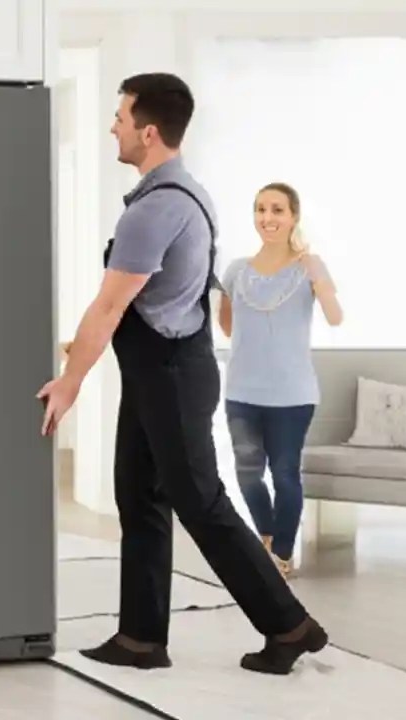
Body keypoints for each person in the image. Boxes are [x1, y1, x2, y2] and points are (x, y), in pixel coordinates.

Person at [37, 72, 327, 675]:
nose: (113, 126)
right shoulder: (179, 194)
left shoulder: (160, 208)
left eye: (119, 117)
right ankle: (141, 639)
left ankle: (289, 624)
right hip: (160, 371)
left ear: (147, 131)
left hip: (170, 373)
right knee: (138, 495)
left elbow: (110, 305)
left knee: (200, 501)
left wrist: (70, 381)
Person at [218, 183, 343, 577]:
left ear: (293, 217)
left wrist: (319, 278)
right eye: (260, 210)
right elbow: (226, 324)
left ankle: (282, 555)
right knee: (247, 471)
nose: (267, 218)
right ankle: (269, 539)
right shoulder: (237, 271)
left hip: (293, 394)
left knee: (285, 473)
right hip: (242, 391)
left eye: (277, 210)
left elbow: (336, 317)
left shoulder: (308, 266)